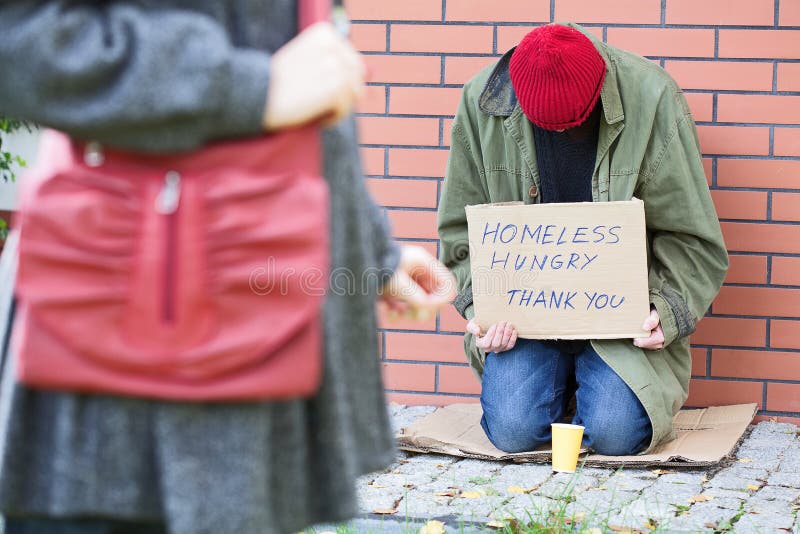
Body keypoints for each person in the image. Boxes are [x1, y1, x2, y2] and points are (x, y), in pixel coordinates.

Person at [0, 2, 454, 533]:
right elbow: (20, 39)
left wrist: (371, 253)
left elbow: (304, 90)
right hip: (112, 385)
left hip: (254, 327)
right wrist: (246, 86)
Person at [437, 23, 728, 456]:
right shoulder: (483, 102)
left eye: (573, 125)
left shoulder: (654, 98)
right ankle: (565, 389)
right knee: (514, 434)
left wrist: (665, 311)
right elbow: (458, 231)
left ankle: (595, 389)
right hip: (525, 321)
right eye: (546, 127)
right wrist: (482, 308)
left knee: (617, 435)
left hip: (620, 324)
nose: (560, 136)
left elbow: (691, 237)